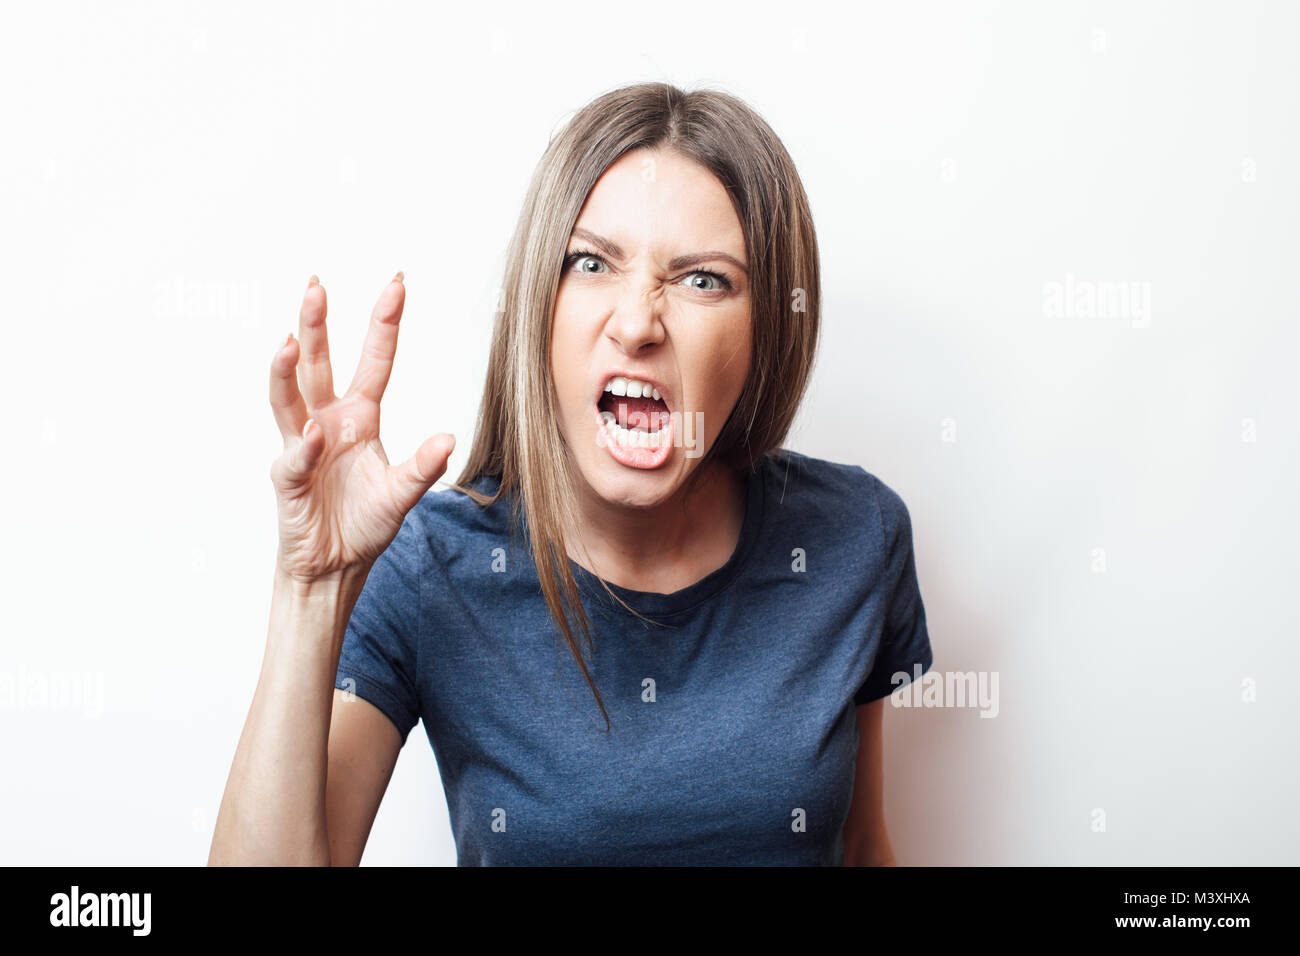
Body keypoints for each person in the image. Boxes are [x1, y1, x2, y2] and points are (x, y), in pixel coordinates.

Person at [209, 82, 933, 866]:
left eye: (702, 280)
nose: (635, 323)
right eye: (591, 263)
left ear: (764, 335)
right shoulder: (432, 568)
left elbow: (862, 849)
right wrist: (311, 590)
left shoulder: (855, 536)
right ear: (538, 311)